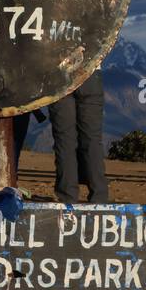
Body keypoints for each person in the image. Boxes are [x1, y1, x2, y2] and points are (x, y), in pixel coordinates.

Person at [49, 68, 108, 204]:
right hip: (90, 73)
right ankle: (99, 196)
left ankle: (67, 196)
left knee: (64, 141)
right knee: (92, 140)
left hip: (58, 75)